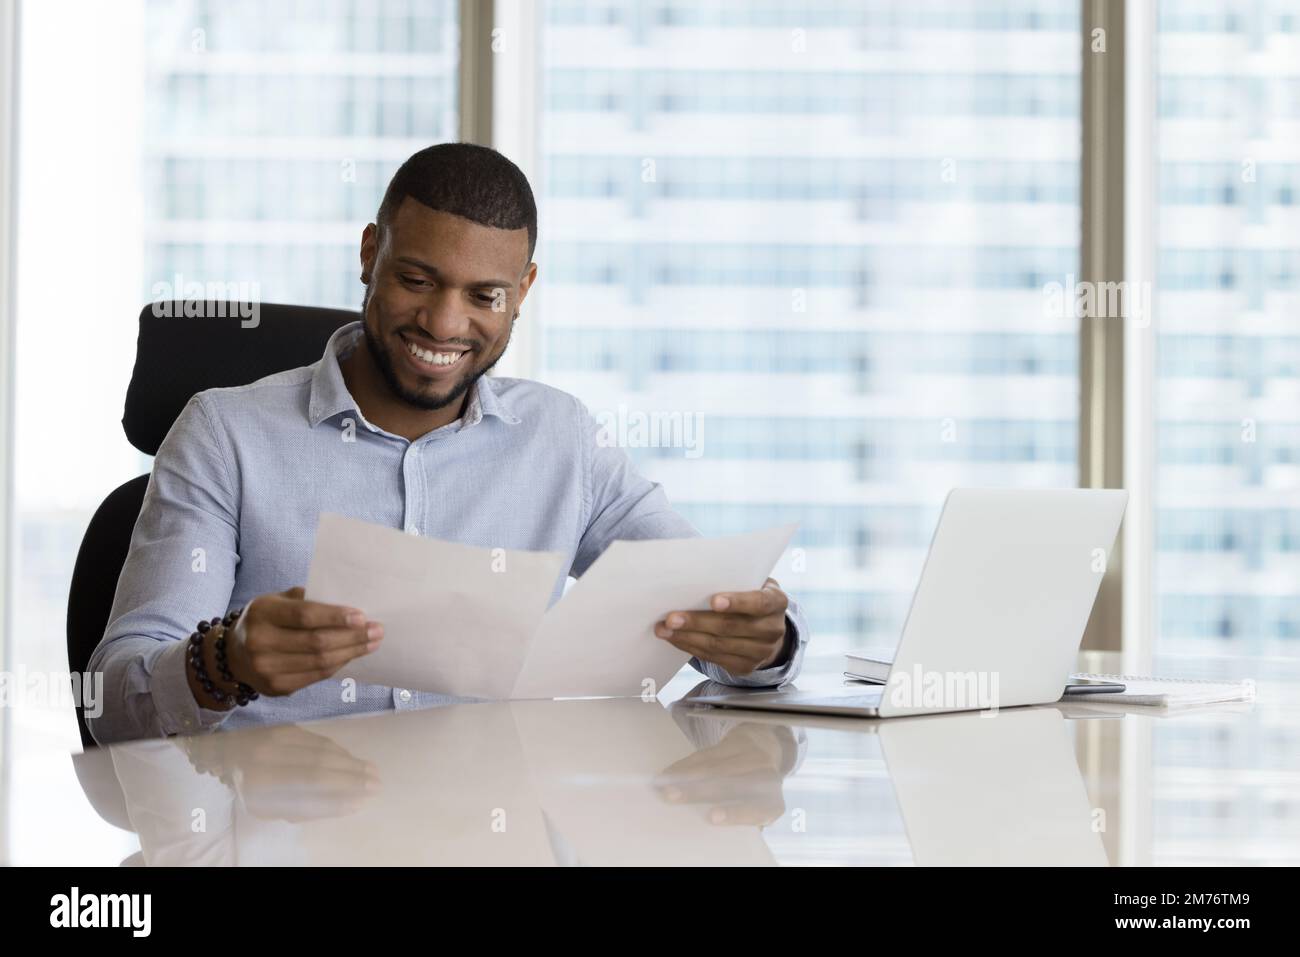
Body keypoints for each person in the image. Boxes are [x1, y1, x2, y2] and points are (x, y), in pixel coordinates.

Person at [88, 143, 809, 744]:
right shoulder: (224, 434)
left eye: (484, 295)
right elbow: (110, 701)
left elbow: (713, 602)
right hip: (280, 836)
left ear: (522, 290)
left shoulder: (562, 440)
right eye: (416, 279)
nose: (443, 321)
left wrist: (761, 643)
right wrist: (227, 662)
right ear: (370, 253)